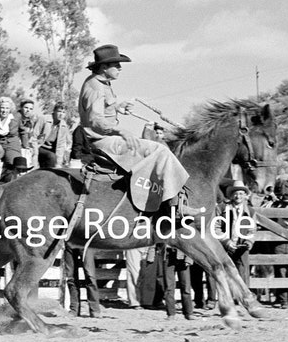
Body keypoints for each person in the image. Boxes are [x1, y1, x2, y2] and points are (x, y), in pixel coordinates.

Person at [77, 44, 199, 216]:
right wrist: (121, 131)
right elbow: (95, 120)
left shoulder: (100, 83)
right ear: (104, 67)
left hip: (105, 138)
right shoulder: (96, 87)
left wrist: (118, 107)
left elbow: (101, 109)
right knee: (160, 150)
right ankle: (174, 205)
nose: (120, 68)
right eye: (116, 65)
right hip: (104, 142)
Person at [0, 96, 23, 168]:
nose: (4, 110)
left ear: (10, 109)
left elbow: (23, 131)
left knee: (12, 162)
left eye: (7, 108)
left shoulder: (16, 118)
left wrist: (26, 145)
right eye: (2, 108)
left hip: (12, 145)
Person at [38, 103, 73, 169]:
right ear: (54, 111)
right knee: (52, 156)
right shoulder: (44, 119)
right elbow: (35, 135)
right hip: (40, 147)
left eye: (63, 112)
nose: (61, 114)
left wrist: (58, 163)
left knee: (55, 162)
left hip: (53, 149)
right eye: (59, 111)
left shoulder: (64, 125)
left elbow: (61, 145)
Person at [17, 99, 45, 166]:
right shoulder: (16, 118)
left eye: (30, 109)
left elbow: (30, 136)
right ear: (21, 108)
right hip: (17, 145)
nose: (28, 110)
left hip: (25, 145)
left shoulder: (29, 122)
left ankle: (33, 168)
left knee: (35, 150)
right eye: (26, 108)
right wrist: (26, 146)